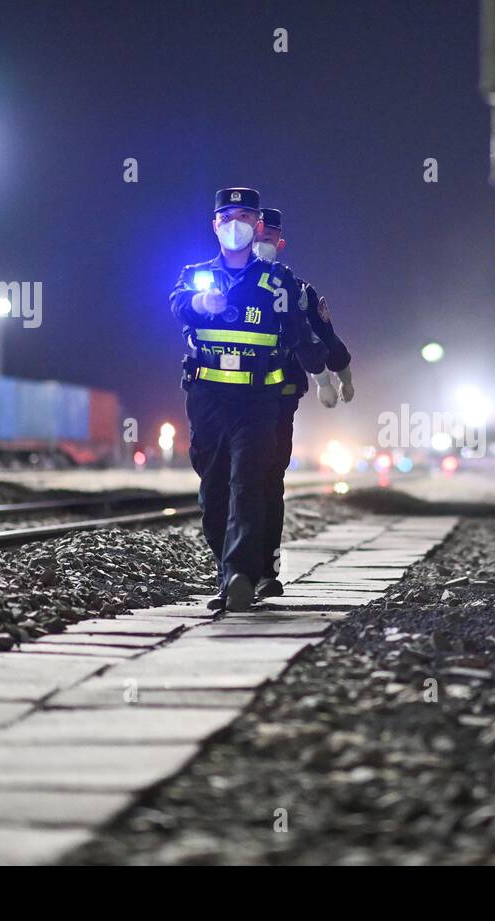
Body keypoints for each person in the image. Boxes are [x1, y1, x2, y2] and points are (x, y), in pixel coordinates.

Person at [169, 187, 326, 611]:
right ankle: (231, 568)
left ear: (258, 226)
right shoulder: (195, 274)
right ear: (214, 225)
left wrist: (324, 370)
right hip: (207, 397)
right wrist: (202, 301)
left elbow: (297, 328)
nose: (235, 224)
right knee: (214, 488)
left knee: (249, 483)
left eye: (244, 216)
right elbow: (178, 305)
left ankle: (238, 574)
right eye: (227, 216)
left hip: (259, 398)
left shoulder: (278, 280)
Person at [252, 207, 355, 598]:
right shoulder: (222, 281)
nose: (261, 243)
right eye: (256, 233)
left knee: (266, 484)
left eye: (268, 237)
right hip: (231, 399)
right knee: (232, 484)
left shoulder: (297, 290)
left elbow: (326, 339)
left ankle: (264, 572)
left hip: (278, 399)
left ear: (280, 243)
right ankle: (236, 573)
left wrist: (338, 376)